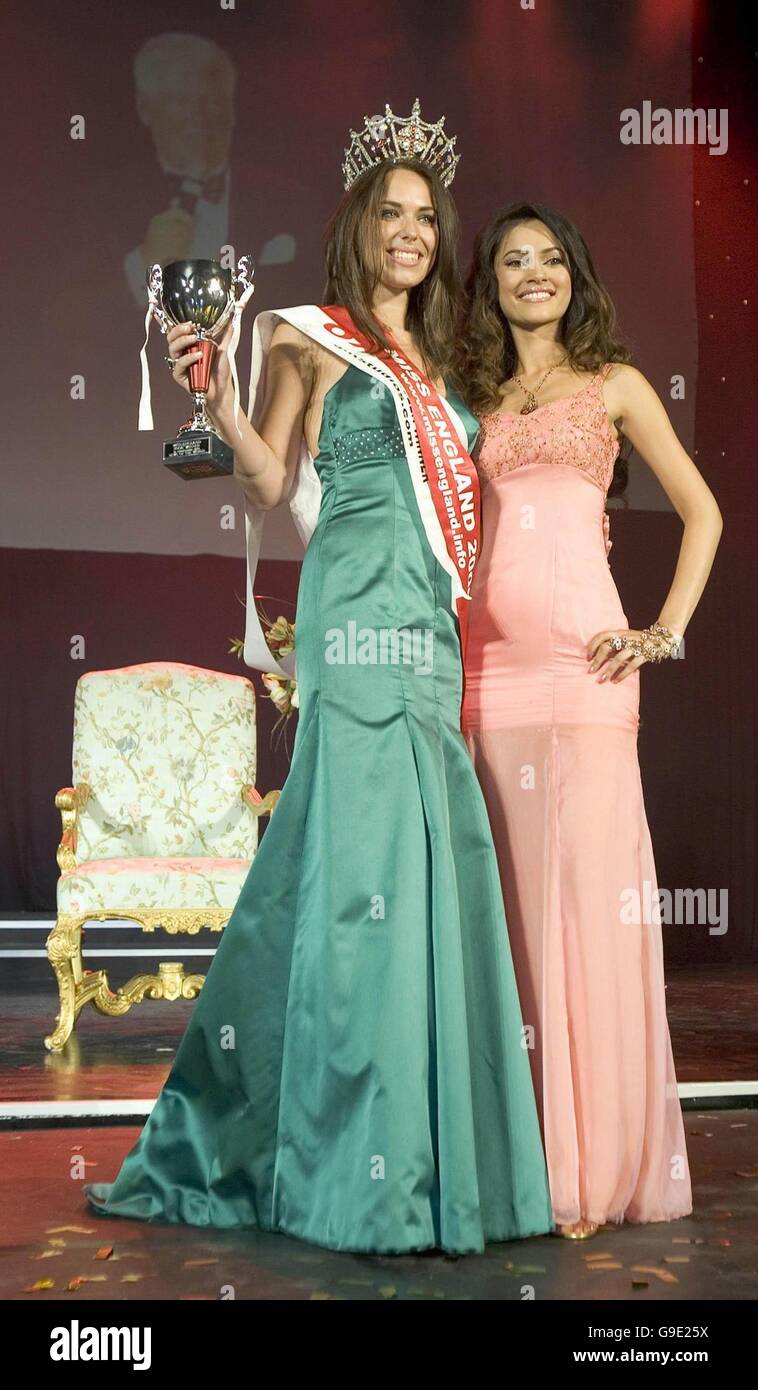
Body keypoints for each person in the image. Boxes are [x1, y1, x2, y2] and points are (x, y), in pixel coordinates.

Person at [84, 110, 554, 1255]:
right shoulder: (308, 337)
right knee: (358, 875)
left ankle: (443, 1166)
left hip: (430, 633)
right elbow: (267, 471)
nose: (407, 231)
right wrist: (215, 394)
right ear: (359, 225)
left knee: (421, 867)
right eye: (388, 213)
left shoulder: (450, 361)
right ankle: (354, 1168)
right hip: (350, 621)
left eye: (424, 217)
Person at [457, 201, 722, 1239]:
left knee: (590, 910)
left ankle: (592, 1166)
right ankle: (522, 1161)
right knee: (511, 914)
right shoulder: (470, 396)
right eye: (513, 260)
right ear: (491, 283)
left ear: (574, 274)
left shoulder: (613, 384)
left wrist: (662, 630)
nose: (533, 273)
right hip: (488, 674)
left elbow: (701, 509)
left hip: (585, 669)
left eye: (550, 258)